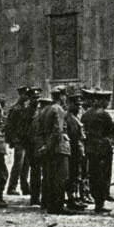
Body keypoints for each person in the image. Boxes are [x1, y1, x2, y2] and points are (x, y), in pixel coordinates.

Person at [38, 86, 71, 214]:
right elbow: (58, 131)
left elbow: (40, 130)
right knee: (60, 177)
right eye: (65, 96)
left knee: (49, 176)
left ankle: (48, 204)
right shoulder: (58, 109)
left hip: (48, 147)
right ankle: (58, 206)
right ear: (62, 96)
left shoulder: (45, 110)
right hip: (58, 148)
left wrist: (44, 146)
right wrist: (50, 146)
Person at [82, 89, 114, 214]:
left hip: (90, 147)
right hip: (102, 148)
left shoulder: (87, 113)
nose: (108, 103)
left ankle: (97, 200)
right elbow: (111, 130)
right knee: (103, 175)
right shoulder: (104, 114)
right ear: (102, 101)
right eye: (107, 101)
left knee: (94, 175)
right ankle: (100, 204)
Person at [4, 87, 34, 195]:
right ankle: (12, 187)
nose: (26, 97)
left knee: (26, 164)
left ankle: (24, 187)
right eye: (24, 94)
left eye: (27, 95)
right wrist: (11, 139)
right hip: (19, 140)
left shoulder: (27, 108)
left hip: (26, 139)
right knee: (18, 164)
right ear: (20, 95)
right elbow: (9, 126)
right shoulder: (15, 109)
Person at [64, 91, 87, 211]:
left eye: (79, 104)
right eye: (76, 105)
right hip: (72, 149)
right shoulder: (68, 117)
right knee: (72, 175)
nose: (78, 107)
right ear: (69, 104)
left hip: (78, 149)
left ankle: (77, 197)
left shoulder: (79, 115)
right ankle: (71, 198)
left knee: (78, 174)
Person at [28, 94, 51, 208]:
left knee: (36, 173)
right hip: (43, 148)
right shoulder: (44, 117)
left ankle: (35, 198)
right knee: (44, 173)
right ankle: (43, 199)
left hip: (36, 148)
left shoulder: (36, 117)